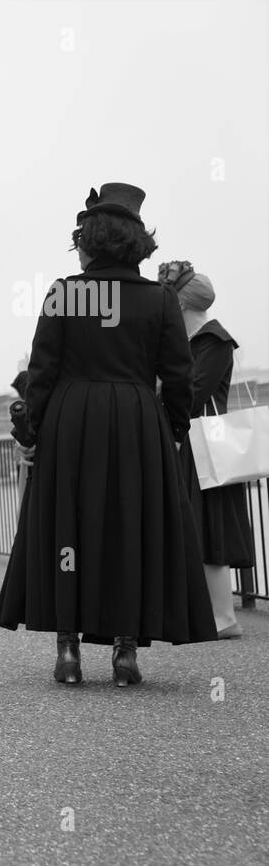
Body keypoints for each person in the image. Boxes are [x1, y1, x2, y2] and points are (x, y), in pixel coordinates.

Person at [0, 183, 217, 686]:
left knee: (68, 529)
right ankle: (125, 653)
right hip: (137, 421)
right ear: (139, 244)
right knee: (128, 527)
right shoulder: (159, 300)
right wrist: (174, 429)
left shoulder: (64, 293)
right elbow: (179, 378)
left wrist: (31, 432)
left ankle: (68, 652)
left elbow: (42, 374)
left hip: (72, 422)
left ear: (88, 241)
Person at [159, 262, 255, 639]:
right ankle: (214, 614)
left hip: (207, 446)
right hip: (199, 446)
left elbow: (194, 394)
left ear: (181, 305)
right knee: (200, 530)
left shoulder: (214, 341)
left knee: (208, 530)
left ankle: (223, 617)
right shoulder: (202, 342)